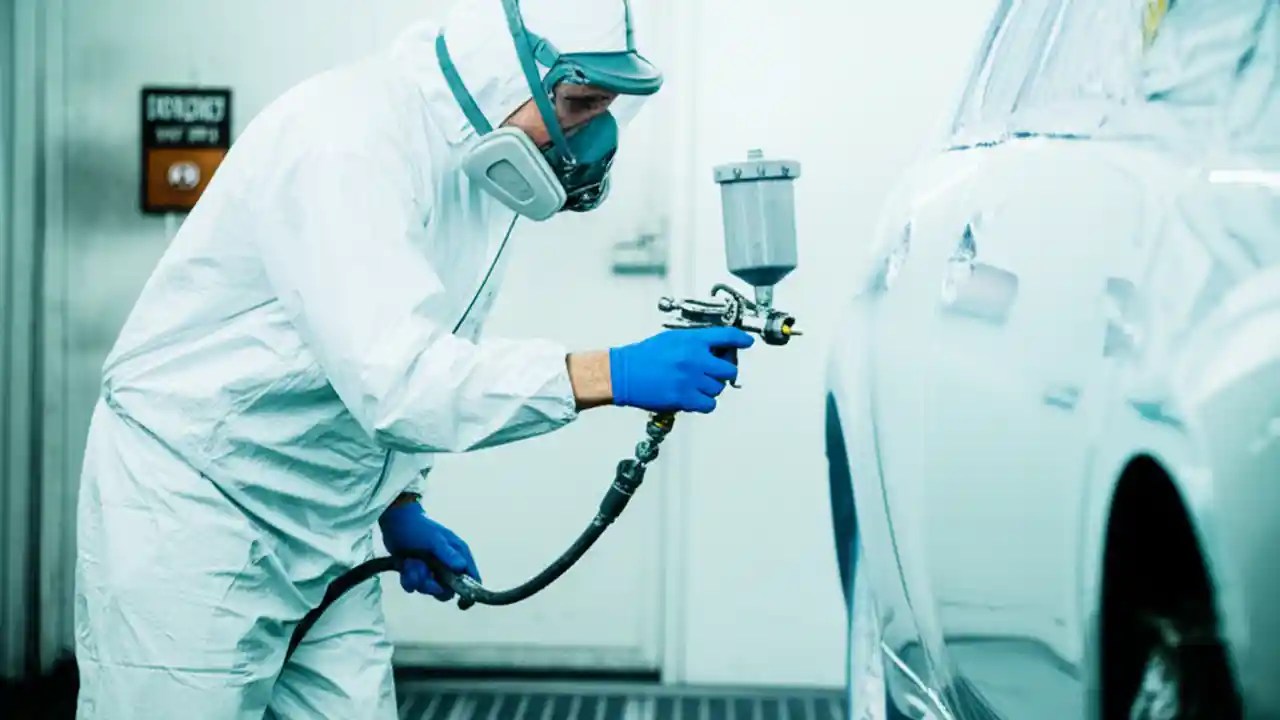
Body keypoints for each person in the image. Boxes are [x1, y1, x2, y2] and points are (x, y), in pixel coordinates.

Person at [72, 0, 754, 718]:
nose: (590, 137)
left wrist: (401, 503)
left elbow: (424, 342)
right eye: (582, 104)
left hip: (329, 522)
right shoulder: (347, 140)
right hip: (196, 509)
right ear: (505, 70)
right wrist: (606, 373)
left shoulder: (481, 168)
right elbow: (397, 380)